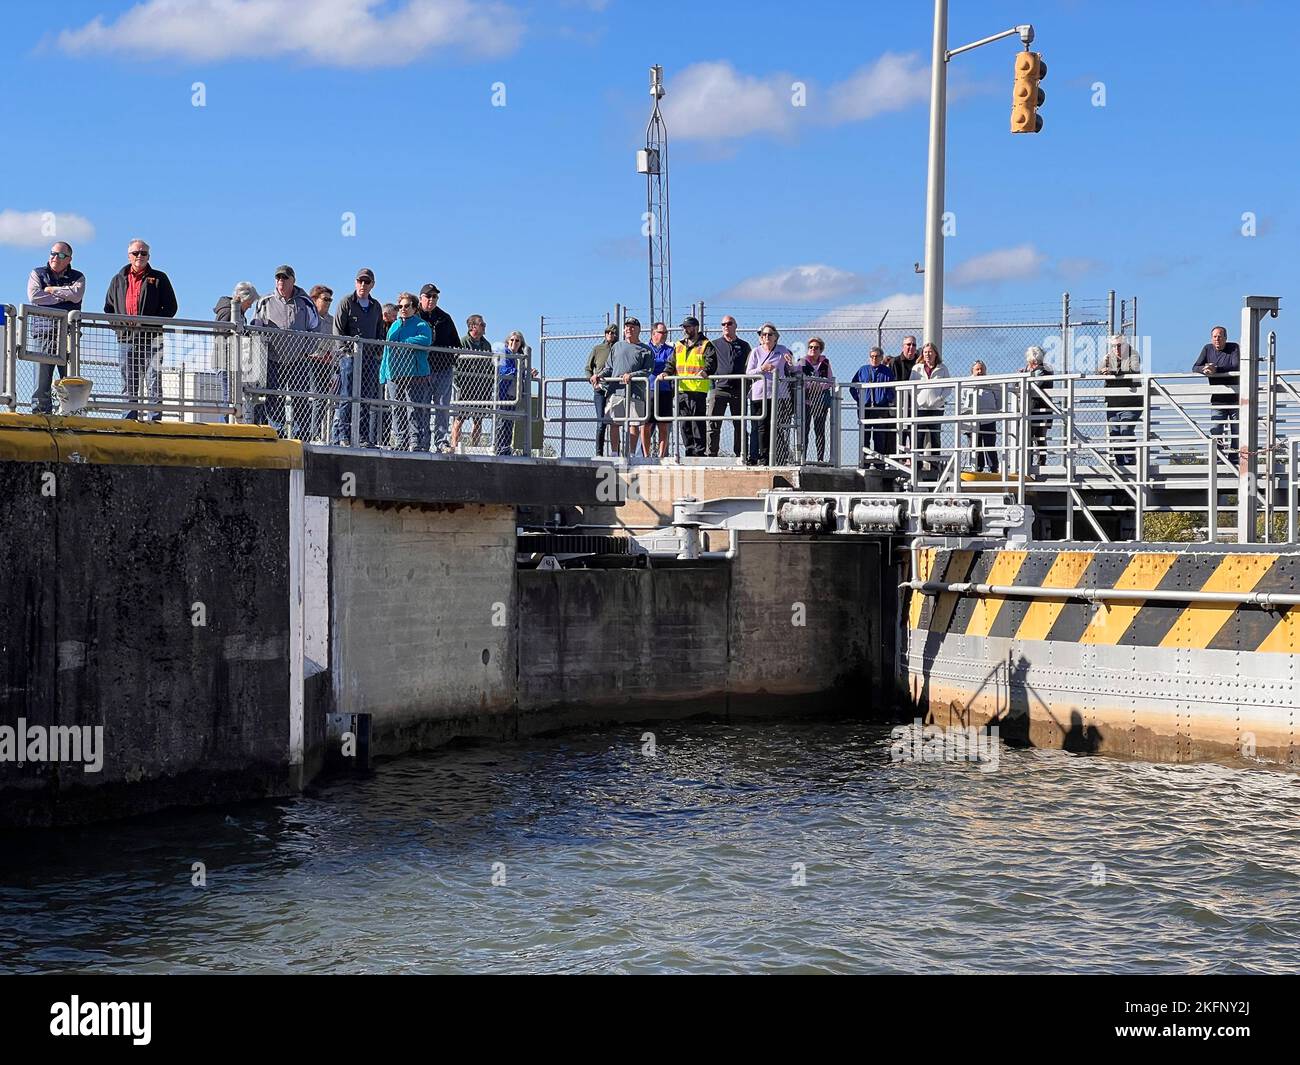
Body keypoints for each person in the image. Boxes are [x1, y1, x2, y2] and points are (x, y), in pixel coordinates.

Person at [103, 239, 179, 420]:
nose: (140, 256)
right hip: (126, 339)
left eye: (143, 253)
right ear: (129, 256)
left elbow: (170, 307)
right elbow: (108, 308)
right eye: (136, 253)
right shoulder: (117, 279)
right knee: (128, 381)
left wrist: (149, 323)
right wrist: (119, 328)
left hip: (152, 338)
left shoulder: (159, 278)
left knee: (153, 379)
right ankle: (129, 419)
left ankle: (155, 420)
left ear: (148, 256)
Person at [251, 265, 318, 435]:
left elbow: (315, 328)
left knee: (301, 399)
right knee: (273, 398)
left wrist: (306, 350)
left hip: (298, 360)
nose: (281, 281)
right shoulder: (264, 301)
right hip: (273, 360)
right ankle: (277, 433)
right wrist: (261, 350)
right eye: (278, 278)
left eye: (285, 278)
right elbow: (255, 327)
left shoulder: (305, 302)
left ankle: (302, 435)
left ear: (293, 281)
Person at [26, 242, 86, 414]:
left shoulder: (78, 276)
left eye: (60, 255)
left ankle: (71, 414)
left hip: (68, 334)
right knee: (41, 380)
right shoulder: (37, 273)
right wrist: (63, 296)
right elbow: (35, 296)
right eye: (52, 253)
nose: (54, 257)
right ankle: (41, 416)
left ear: (69, 259)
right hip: (43, 333)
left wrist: (51, 290)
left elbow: (76, 296)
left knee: (69, 380)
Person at [329, 269, 384, 447]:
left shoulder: (376, 306)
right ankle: (343, 435)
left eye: (366, 282)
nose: (363, 285)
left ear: (372, 285)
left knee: (366, 398)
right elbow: (338, 329)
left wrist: (377, 353)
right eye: (360, 281)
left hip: (369, 359)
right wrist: (346, 351)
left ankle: (362, 436)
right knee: (347, 395)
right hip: (350, 358)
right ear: (355, 282)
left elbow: (379, 332)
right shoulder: (346, 302)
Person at [380, 293, 433, 452]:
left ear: (414, 308)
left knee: (413, 408)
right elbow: (387, 350)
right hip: (394, 373)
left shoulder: (421, 325)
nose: (403, 309)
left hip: (414, 374)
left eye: (406, 306)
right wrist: (383, 372)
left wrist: (405, 343)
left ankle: (415, 440)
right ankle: (401, 440)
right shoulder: (395, 325)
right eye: (400, 306)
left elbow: (425, 340)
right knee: (397, 408)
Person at [601, 317, 655, 457]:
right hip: (616, 391)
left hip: (635, 393)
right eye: (626, 327)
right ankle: (614, 453)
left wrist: (632, 375)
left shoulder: (646, 350)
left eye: (632, 327)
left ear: (638, 330)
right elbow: (609, 367)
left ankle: (631, 453)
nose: (628, 329)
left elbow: (648, 370)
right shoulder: (617, 346)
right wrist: (598, 375)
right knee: (613, 422)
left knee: (634, 424)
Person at [418, 284, 459, 453]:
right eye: (428, 296)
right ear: (421, 298)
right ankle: (422, 441)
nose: (431, 299)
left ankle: (441, 441)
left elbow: (456, 344)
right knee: (423, 406)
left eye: (434, 296)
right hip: (422, 370)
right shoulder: (415, 316)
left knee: (442, 406)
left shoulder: (444, 318)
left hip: (443, 369)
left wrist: (450, 358)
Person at [668, 315, 717, 458]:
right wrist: (666, 372)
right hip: (682, 389)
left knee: (697, 423)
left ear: (696, 328)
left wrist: (706, 370)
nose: (685, 329)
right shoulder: (679, 345)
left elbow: (712, 363)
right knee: (684, 424)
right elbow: (671, 363)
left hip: (697, 390)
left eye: (688, 327)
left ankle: (699, 452)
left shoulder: (706, 344)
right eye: (684, 327)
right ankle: (689, 451)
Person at [744, 323, 791, 465]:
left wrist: (792, 363)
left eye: (770, 334)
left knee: (778, 426)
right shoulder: (755, 352)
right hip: (759, 395)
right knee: (761, 427)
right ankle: (763, 458)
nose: (766, 337)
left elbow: (793, 368)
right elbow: (748, 373)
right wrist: (762, 368)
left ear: (776, 337)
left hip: (779, 394)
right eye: (763, 334)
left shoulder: (783, 350)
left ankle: (780, 457)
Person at [1192, 325, 1241, 458]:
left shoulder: (1234, 347)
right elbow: (1195, 367)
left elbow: (1235, 365)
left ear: (1225, 337)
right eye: (1214, 337)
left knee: (1237, 430)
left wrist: (1216, 369)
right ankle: (1218, 457)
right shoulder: (1207, 348)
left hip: (1235, 398)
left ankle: (1235, 457)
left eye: (1219, 336)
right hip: (1217, 399)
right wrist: (1205, 369)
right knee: (1216, 429)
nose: (1217, 339)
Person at [213, 281, 259, 420]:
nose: (250, 305)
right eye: (249, 301)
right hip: (225, 360)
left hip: (234, 362)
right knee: (228, 397)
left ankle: (230, 425)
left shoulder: (238, 313)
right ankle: (225, 428)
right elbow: (221, 332)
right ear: (243, 299)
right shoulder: (228, 311)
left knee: (233, 397)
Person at [709, 314, 751, 457]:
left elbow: (749, 367)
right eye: (723, 324)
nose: (726, 326)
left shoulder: (744, 346)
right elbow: (708, 365)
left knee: (740, 424)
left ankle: (741, 454)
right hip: (719, 389)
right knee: (713, 423)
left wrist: (747, 387)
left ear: (735, 326)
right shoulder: (714, 344)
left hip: (738, 390)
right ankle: (711, 454)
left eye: (729, 323)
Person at [298, 285, 336, 442]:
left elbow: (335, 343)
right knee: (309, 398)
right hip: (308, 362)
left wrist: (330, 357)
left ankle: (317, 432)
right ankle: (308, 432)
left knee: (323, 399)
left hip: (326, 364)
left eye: (330, 300)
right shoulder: (307, 317)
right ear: (314, 299)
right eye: (325, 299)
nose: (327, 303)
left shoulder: (332, 321)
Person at [451, 314, 493, 451]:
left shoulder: (486, 345)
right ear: (473, 326)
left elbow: (490, 365)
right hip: (466, 387)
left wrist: (489, 384)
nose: (484, 326)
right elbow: (457, 363)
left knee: (478, 420)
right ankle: (453, 446)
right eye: (482, 324)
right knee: (459, 419)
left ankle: (475, 448)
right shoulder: (463, 342)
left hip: (481, 387)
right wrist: (461, 383)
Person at [495, 331, 539, 455]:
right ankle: (500, 447)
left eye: (517, 341)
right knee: (502, 420)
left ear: (521, 343)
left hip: (513, 393)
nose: (514, 343)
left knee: (510, 422)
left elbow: (519, 372)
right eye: (512, 340)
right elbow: (504, 370)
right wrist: (523, 370)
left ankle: (506, 447)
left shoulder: (520, 357)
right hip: (503, 392)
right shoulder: (504, 353)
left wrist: (528, 372)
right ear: (508, 341)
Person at [1099, 335, 1140, 467]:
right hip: (1113, 404)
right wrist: (1104, 369)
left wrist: (1112, 370)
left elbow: (1132, 369)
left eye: (1119, 345)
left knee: (1126, 432)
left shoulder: (1133, 354)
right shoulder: (1108, 356)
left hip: (1131, 403)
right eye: (1113, 346)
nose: (1116, 348)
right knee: (1114, 435)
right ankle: (1121, 465)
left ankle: (1130, 463)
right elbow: (1099, 369)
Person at [850, 347, 896, 462]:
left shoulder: (886, 371)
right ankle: (864, 462)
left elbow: (892, 388)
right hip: (865, 408)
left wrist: (886, 399)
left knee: (879, 436)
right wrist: (859, 400)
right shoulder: (863, 370)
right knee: (864, 436)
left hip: (880, 408)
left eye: (877, 356)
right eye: (872, 356)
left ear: (881, 358)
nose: (874, 358)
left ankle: (878, 463)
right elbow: (853, 386)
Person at [911, 342, 950, 476]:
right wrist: (917, 400)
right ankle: (917, 465)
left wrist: (940, 399)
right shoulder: (917, 368)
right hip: (920, 408)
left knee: (935, 436)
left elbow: (948, 387)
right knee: (918, 436)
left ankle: (934, 465)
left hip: (936, 408)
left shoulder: (942, 368)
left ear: (935, 354)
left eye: (930, 352)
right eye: (925, 352)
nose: (928, 354)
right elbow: (911, 386)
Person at [797, 337, 833, 462]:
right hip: (806, 402)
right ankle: (803, 458)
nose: (813, 349)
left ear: (820, 350)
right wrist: (812, 385)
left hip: (820, 401)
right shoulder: (802, 361)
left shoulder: (826, 363)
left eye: (816, 347)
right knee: (804, 430)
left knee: (819, 431)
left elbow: (829, 381)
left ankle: (820, 459)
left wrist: (820, 386)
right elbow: (798, 378)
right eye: (811, 347)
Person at [961, 360, 999, 473]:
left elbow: (999, 398)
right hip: (972, 421)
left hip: (988, 419)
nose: (980, 371)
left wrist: (993, 410)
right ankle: (977, 468)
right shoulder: (966, 383)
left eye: (982, 369)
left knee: (989, 445)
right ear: (972, 370)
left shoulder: (992, 382)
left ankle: (993, 468)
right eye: (977, 369)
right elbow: (963, 398)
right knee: (975, 445)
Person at [585, 324, 618, 456]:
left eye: (613, 332)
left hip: (615, 389)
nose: (610, 334)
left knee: (616, 422)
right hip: (599, 390)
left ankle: (616, 453)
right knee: (601, 422)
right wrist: (592, 381)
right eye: (608, 332)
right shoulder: (597, 349)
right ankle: (599, 453)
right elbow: (588, 368)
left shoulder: (619, 349)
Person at [646, 321, 675, 458]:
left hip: (665, 390)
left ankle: (661, 456)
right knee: (646, 425)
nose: (664, 335)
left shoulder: (670, 350)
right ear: (653, 333)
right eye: (661, 332)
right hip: (647, 390)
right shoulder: (645, 349)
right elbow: (648, 367)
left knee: (664, 425)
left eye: (665, 333)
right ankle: (645, 456)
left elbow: (671, 367)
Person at [1023, 346, 1052, 468]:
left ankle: (1034, 463)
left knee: (1035, 437)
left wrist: (1026, 375)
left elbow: (1034, 385)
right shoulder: (1046, 368)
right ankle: (1036, 462)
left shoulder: (1041, 370)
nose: (1032, 364)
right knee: (1038, 437)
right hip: (1040, 408)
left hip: (1036, 408)